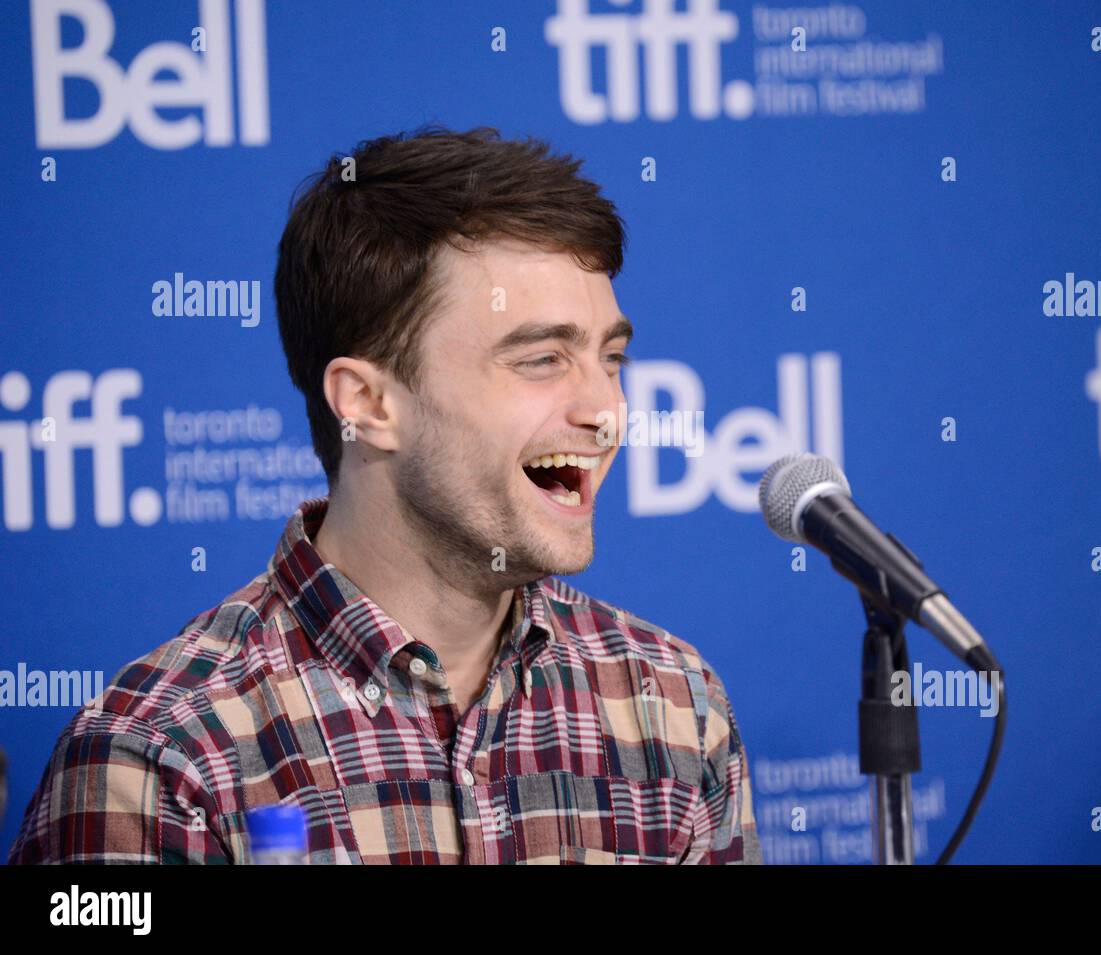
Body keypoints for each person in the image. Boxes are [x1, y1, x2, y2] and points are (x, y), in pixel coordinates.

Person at [8, 126, 762, 864]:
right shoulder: (163, 761)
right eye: (541, 359)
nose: (605, 412)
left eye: (612, 358)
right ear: (367, 403)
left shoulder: (671, 705)